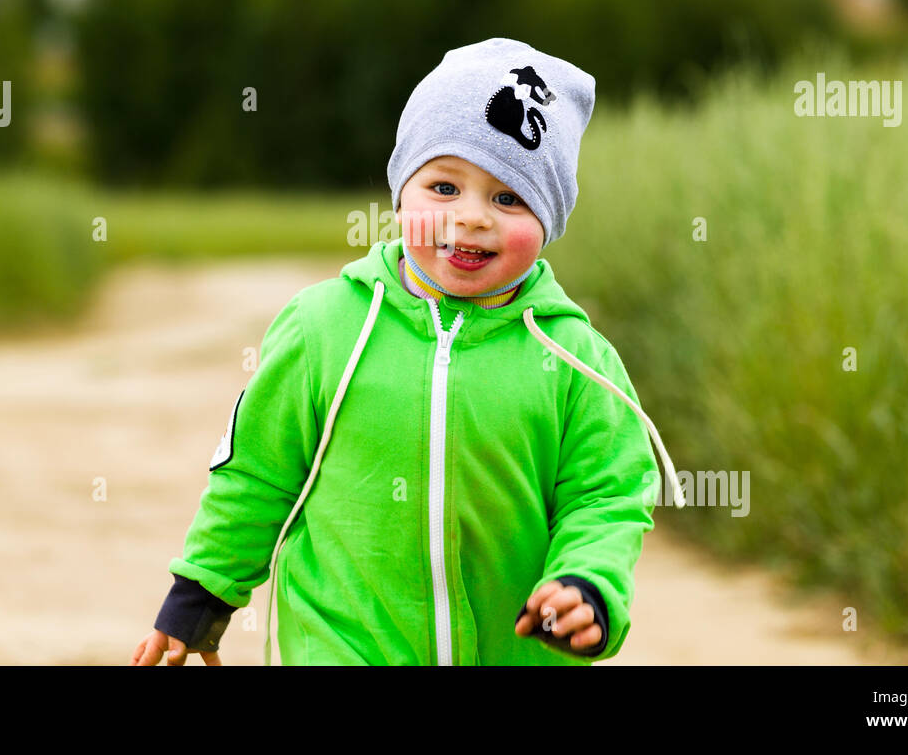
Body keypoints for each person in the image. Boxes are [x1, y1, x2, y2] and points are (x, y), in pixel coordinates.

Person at [132, 37, 682, 665]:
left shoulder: (577, 359)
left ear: (550, 217)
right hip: (342, 645)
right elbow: (257, 471)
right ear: (400, 193)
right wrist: (200, 597)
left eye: (509, 198)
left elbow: (606, 497)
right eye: (444, 187)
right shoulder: (324, 328)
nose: (472, 218)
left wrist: (588, 586)